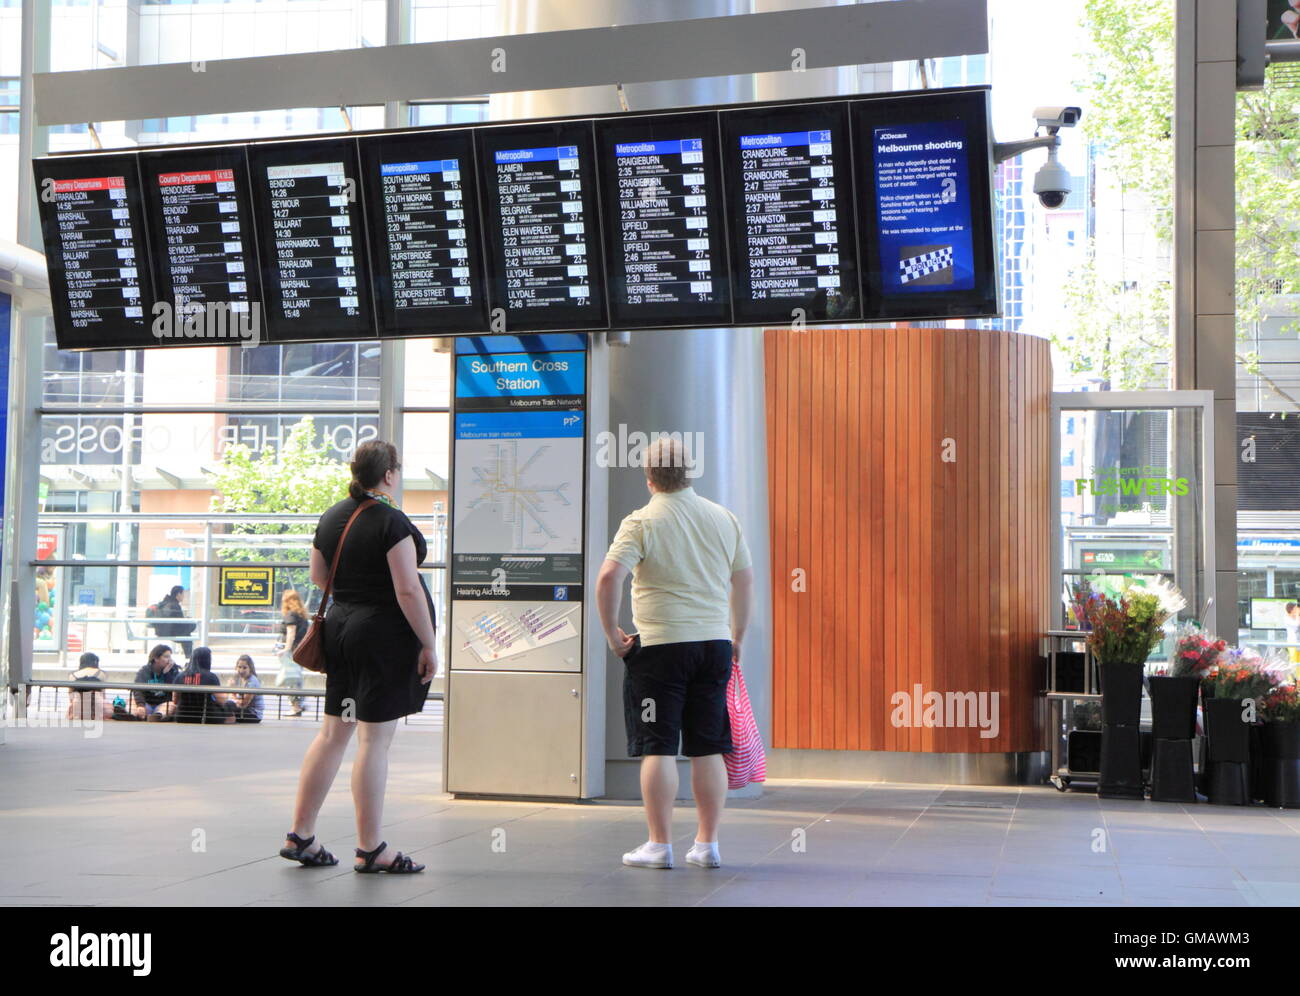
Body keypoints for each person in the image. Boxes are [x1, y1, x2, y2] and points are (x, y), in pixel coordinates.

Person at [596, 436, 753, 870]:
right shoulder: (724, 519)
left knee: (658, 746)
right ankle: (707, 845)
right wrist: (737, 635)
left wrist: (612, 634)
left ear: (649, 479)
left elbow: (610, 577)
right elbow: (744, 581)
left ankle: (659, 845)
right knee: (708, 746)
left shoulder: (641, 522)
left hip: (661, 650)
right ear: (690, 473)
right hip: (714, 646)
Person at [280, 440, 435, 874]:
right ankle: (371, 848)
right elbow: (407, 589)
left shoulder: (332, 516)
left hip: (342, 634)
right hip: (382, 638)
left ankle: (301, 834)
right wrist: (428, 642)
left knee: (333, 734)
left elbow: (317, 575)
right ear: (388, 475)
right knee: (374, 740)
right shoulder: (390, 521)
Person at [173, 646, 236, 724]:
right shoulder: (210, 677)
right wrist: (230, 687)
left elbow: (175, 700)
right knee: (231, 704)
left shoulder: (180, 676)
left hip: (182, 716)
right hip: (207, 716)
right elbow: (221, 700)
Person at [274, 590, 310, 716]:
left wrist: (286, 649)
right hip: (300, 651)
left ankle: (296, 706)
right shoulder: (302, 616)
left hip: (292, 651)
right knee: (295, 677)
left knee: (290, 679)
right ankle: (299, 703)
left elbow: (291, 633)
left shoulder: (291, 615)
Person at [130, 644, 181, 721]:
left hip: (163, 704)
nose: (169, 660)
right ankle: (133, 715)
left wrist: (167, 674)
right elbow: (138, 689)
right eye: (166, 657)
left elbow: (174, 691)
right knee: (132, 701)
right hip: (147, 704)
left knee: (171, 705)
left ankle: (157, 716)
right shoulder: (144, 671)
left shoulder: (173, 671)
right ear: (156, 658)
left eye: (170, 657)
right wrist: (140, 705)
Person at [151, 585, 196, 661]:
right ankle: (189, 657)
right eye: (183, 594)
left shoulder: (164, 603)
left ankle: (189, 657)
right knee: (188, 635)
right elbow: (180, 622)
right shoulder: (174, 605)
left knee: (187, 634)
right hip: (169, 631)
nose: (183, 596)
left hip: (161, 631)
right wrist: (190, 623)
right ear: (178, 594)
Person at [66, 652, 112, 722]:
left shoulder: (72, 675)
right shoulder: (101, 673)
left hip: (78, 705)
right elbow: (103, 695)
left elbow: (71, 696)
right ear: (95, 662)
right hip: (96, 704)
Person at [228, 654, 264, 724]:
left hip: (253, 714)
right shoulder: (238, 678)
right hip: (243, 711)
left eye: (244, 668)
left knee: (228, 706)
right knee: (225, 706)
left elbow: (243, 704)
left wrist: (232, 690)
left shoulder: (252, 681)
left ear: (250, 668)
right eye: (239, 667)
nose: (241, 670)